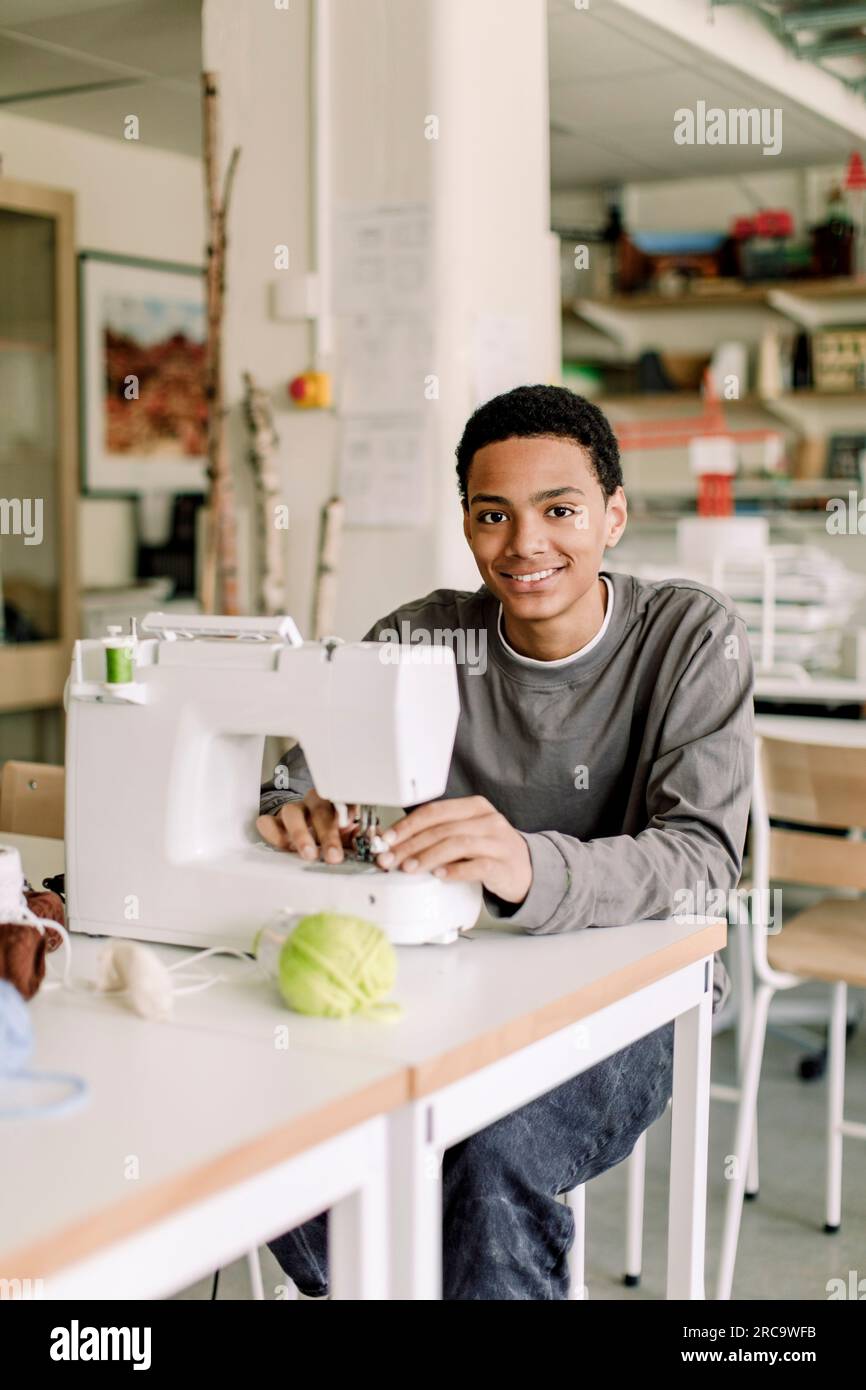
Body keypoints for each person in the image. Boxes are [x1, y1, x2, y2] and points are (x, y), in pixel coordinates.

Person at [257, 384, 753, 1300]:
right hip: (457, 979)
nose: (524, 544)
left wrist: (529, 863)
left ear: (613, 517)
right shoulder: (418, 637)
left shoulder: (691, 638)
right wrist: (297, 803)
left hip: (639, 989)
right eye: (494, 516)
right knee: (286, 1124)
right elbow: (291, 774)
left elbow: (702, 858)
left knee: (488, 1155)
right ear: (468, 525)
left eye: (558, 511)